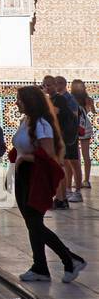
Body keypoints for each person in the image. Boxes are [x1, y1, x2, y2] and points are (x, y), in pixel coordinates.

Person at [10, 84, 86, 285]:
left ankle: (70, 259)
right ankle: (40, 267)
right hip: (24, 176)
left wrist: (25, 158)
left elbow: (49, 155)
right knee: (31, 224)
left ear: (30, 101)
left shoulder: (41, 123)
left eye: (19, 99)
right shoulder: (26, 120)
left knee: (35, 223)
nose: (16, 102)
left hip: (36, 177)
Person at [42, 75, 80, 206]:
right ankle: (61, 198)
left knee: (59, 167)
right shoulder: (51, 99)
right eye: (45, 85)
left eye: (50, 84)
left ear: (55, 85)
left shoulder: (59, 99)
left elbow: (54, 113)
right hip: (55, 136)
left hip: (60, 137)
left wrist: (42, 101)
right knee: (59, 166)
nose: (47, 87)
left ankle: (61, 198)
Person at [55, 75, 84, 203]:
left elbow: (74, 116)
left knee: (74, 162)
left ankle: (78, 191)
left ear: (64, 84)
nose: (57, 86)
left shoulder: (69, 98)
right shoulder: (57, 98)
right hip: (62, 135)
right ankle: (67, 189)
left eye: (59, 83)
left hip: (70, 135)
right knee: (65, 162)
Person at [71, 79, 95, 190]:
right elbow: (91, 111)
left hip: (76, 127)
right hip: (84, 127)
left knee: (76, 155)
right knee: (84, 156)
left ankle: (79, 180)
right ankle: (85, 180)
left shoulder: (70, 99)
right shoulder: (87, 99)